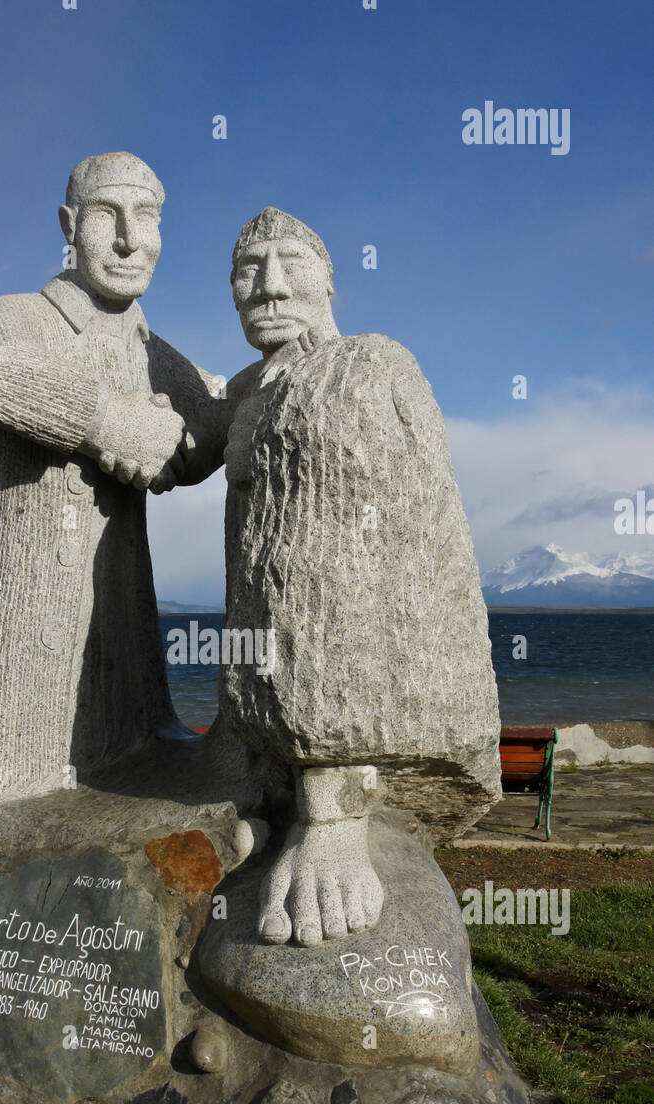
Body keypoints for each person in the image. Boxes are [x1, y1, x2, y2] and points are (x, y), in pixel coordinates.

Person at [221, 208, 501, 945]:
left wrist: (330, 808)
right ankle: (264, 782)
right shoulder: (255, 388)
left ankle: (336, 816)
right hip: (264, 713)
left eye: (292, 263)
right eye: (248, 269)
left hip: (354, 723)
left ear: (330, 283)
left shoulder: (363, 367)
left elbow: (342, 572)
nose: (269, 286)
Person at [0, 153, 224, 839]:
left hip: (117, 651)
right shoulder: (15, 319)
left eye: (146, 217)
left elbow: (198, 442)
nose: (129, 238)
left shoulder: (162, 357)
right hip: (18, 635)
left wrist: (278, 376)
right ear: (70, 226)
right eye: (106, 215)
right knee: (13, 791)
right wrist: (109, 422)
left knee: (148, 766)